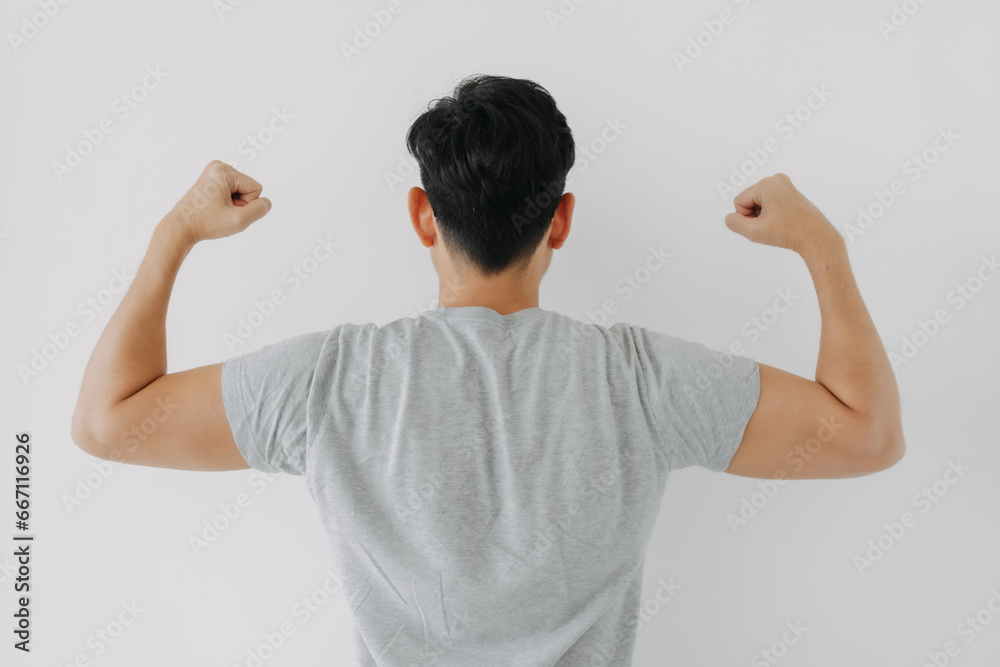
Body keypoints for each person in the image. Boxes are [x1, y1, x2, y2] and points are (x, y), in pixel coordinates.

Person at [71, 75, 905, 666]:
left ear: (422, 217)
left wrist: (176, 232)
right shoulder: (644, 381)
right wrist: (821, 246)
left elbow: (107, 419)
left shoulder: (328, 381)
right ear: (563, 220)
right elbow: (868, 433)